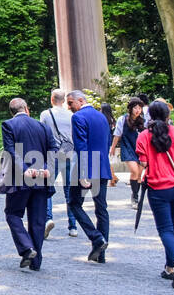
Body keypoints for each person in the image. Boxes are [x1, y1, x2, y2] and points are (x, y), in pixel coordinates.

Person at [136, 99, 174, 288]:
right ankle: (169, 268)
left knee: (165, 229)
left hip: (157, 187)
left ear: (150, 116)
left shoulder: (144, 136)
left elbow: (143, 163)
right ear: (168, 115)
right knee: (171, 227)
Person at [0, 98, 57, 271]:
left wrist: (25, 169)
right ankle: (36, 262)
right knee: (38, 221)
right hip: (42, 178)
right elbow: (53, 149)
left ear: (12, 111)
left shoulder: (8, 125)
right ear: (27, 108)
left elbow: (11, 151)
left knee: (12, 214)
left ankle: (26, 248)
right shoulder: (42, 126)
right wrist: (47, 169)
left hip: (20, 179)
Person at [68, 90, 117, 263]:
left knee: (74, 204)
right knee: (101, 209)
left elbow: (81, 146)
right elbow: (106, 143)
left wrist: (82, 173)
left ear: (80, 101)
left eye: (71, 103)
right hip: (101, 166)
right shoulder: (102, 117)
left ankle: (96, 238)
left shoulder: (78, 117)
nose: (69, 107)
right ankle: (101, 255)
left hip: (87, 167)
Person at [37, 89, 79, 237]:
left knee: (47, 187)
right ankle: (73, 226)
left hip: (52, 154)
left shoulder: (45, 114)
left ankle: (48, 219)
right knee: (69, 190)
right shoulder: (71, 115)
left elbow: (41, 133)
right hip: (69, 154)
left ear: (52, 99)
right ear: (64, 100)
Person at [110, 97, 147, 207]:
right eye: (135, 108)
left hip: (140, 149)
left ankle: (135, 196)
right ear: (130, 108)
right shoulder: (123, 119)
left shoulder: (143, 121)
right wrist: (112, 147)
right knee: (134, 171)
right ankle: (135, 197)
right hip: (127, 147)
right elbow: (117, 133)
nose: (137, 110)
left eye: (139, 108)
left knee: (139, 174)